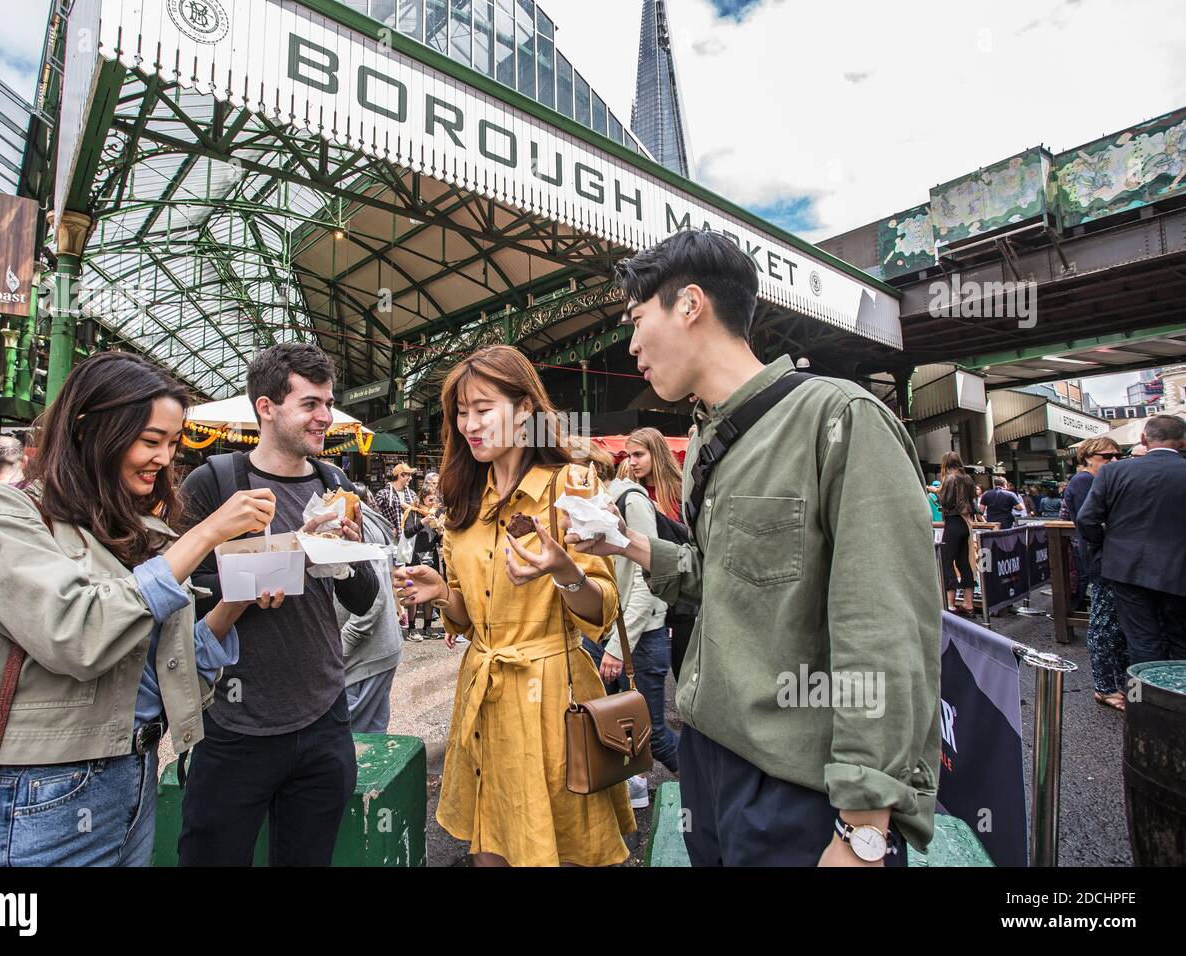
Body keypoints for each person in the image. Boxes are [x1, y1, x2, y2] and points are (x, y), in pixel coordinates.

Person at [570, 230, 940, 866]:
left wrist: (863, 824)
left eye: (636, 319)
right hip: (711, 762)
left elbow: (882, 628)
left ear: (689, 305)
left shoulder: (839, 420)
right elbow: (724, 581)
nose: (630, 345)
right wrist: (630, 544)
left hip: (799, 790)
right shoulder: (705, 444)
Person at [0, 352, 278, 865]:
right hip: (45, 784)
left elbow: (161, 670)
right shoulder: (2, 512)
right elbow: (77, 634)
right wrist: (206, 533)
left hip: (136, 768)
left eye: (172, 444)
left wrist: (232, 607)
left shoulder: (137, 530)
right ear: (90, 429)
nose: (164, 459)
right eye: (151, 441)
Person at [391, 344, 632, 867]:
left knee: (558, 848)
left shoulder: (571, 486)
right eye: (460, 412)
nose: (470, 424)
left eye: (483, 409)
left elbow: (603, 611)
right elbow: (466, 614)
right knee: (490, 849)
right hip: (483, 696)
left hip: (553, 698)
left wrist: (564, 571)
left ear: (525, 410)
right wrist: (441, 593)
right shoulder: (462, 500)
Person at [177, 342, 380, 867]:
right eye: (310, 404)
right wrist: (274, 560)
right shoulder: (217, 483)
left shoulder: (335, 484)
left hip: (324, 719)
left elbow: (364, 600)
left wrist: (347, 556)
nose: (325, 417)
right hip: (235, 722)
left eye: (328, 404)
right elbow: (187, 599)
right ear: (266, 408)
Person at [579, 442, 677, 809]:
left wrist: (617, 649)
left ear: (588, 470)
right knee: (613, 727)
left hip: (638, 637)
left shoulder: (628, 501)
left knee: (651, 737)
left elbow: (645, 583)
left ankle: (704, 796)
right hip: (609, 633)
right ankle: (629, 790)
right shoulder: (592, 507)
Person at [1076, 414, 1186, 667]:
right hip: (1178, 568)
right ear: (1182, 442)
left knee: (1142, 640)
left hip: (1128, 566)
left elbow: (1087, 519)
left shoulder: (1115, 471)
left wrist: (1109, 545)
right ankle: (1177, 700)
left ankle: (1144, 701)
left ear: (1144, 439)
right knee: (1179, 637)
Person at [1063, 437, 1128, 709]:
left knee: (1114, 623)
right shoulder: (1083, 482)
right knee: (1103, 623)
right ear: (1088, 457)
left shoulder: (1095, 480)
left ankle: (1118, 684)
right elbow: (1088, 520)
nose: (1113, 460)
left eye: (1117, 456)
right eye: (1106, 456)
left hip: (1110, 557)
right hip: (1101, 559)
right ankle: (1105, 686)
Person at [340, 505, 403, 734]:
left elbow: (373, 595)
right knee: (373, 738)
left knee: (358, 742)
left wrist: (340, 649)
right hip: (376, 652)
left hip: (363, 658)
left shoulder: (351, 518)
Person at [938, 452, 980, 616]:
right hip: (966, 522)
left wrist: (938, 492)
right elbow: (973, 502)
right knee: (964, 563)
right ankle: (968, 604)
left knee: (946, 561)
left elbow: (947, 502)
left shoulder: (950, 479)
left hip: (954, 521)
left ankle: (951, 604)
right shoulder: (968, 479)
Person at [402, 493, 445, 639]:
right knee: (414, 593)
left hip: (431, 557)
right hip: (415, 557)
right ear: (422, 500)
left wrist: (440, 531)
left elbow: (438, 541)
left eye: (435, 500)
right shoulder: (412, 513)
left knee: (430, 593)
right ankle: (412, 629)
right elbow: (407, 532)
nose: (433, 503)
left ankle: (427, 627)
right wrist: (423, 522)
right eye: (430, 500)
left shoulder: (436, 515)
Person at [623, 427, 683, 522]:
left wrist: (662, 517)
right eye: (629, 456)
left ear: (656, 454)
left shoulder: (684, 490)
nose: (632, 462)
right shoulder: (629, 494)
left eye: (638, 454)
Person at [375, 462, 419, 530]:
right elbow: (375, 514)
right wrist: (387, 528)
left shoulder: (412, 494)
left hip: (410, 535)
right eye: (409, 475)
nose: (411, 478)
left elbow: (417, 514)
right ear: (401, 475)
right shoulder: (383, 494)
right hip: (392, 536)